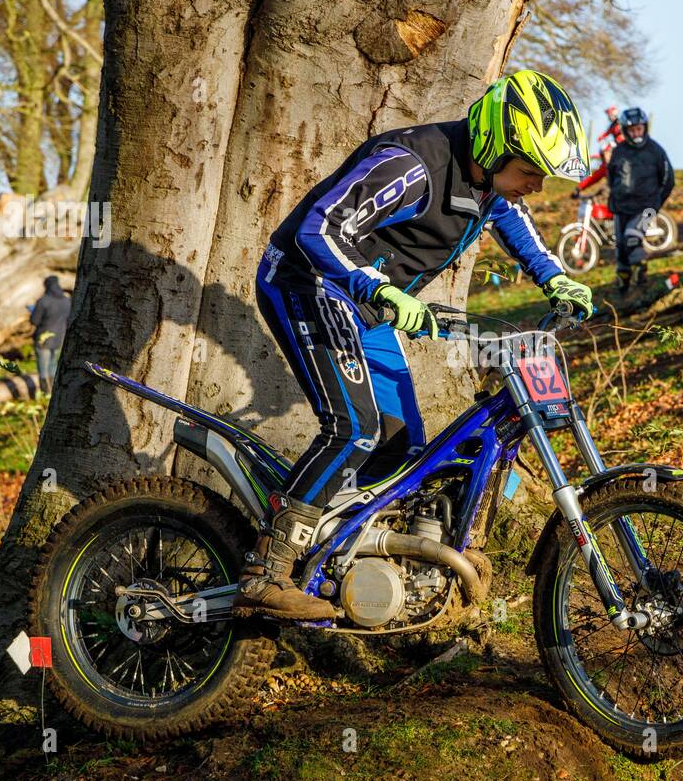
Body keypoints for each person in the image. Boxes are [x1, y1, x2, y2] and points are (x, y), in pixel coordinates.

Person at [236, 69, 595, 619]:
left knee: (403, 449)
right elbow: (318, 228)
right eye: (531, 171)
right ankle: (266, 570)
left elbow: (514, 222)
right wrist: (376, 286)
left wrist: (556, 278)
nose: (538, 185)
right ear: (496, 148)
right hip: (308, 284)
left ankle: (348, 563)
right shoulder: (411, 165)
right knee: (354, 428)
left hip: (369, 309)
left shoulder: (487, 182)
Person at [607, 106, 674, 305]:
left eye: (639, 129)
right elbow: (611, 177)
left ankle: (642, 280)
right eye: (632, 130)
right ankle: (623, 291)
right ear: (625, 131)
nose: (636, 133)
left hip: (646, 207)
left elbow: (669, 180)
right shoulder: (619, 151)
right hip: (621, 207)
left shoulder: (656, 150)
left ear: (645, 128)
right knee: (621, 251)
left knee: (632, 239)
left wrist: (656, 204)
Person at [30, 275, 70, 397]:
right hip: (59, 339)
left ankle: (45, 393)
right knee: (53, 365)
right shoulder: (67, 301)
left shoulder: (43, 301)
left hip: (43, 339)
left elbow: (34, 321)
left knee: (43, 368)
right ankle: (53, 392)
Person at [572, 106, 625, 194]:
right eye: (608, 115)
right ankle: (579, 188)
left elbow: (624, 136)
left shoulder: (621, 124)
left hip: (621, 151)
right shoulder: (613, 125)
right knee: (601, 171)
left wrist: (613, 143)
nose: (609, 117)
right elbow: (607, 132)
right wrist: (601, 137)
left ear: (614, 114)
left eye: (609, 115)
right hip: (613, 154)